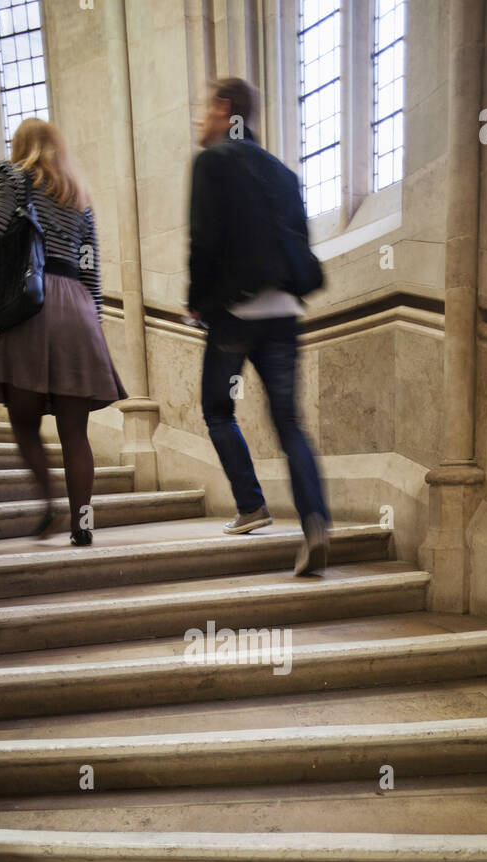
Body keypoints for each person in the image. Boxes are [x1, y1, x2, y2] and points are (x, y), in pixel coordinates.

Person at [187, 77, 330, 576]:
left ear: (226, 109)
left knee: (217, 410)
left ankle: (251, 505)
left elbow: (203, 240)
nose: (200, 119)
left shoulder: (212, 162)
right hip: (284, 315)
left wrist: (197, 302)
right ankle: (315, 520)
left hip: (234, 317)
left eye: (205, 109)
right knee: (290, 422)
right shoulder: (283, 174)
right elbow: (301, 238)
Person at [0, 118, 126, 545]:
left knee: (23, 422)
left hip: (32, 303)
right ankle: (83, 524)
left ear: (21, 147)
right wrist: (92, 328)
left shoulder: (16, 178)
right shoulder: (80, 199)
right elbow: (90, 270)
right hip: (77, 310)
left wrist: (5, 179)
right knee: (74, 432)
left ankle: (48, 503)